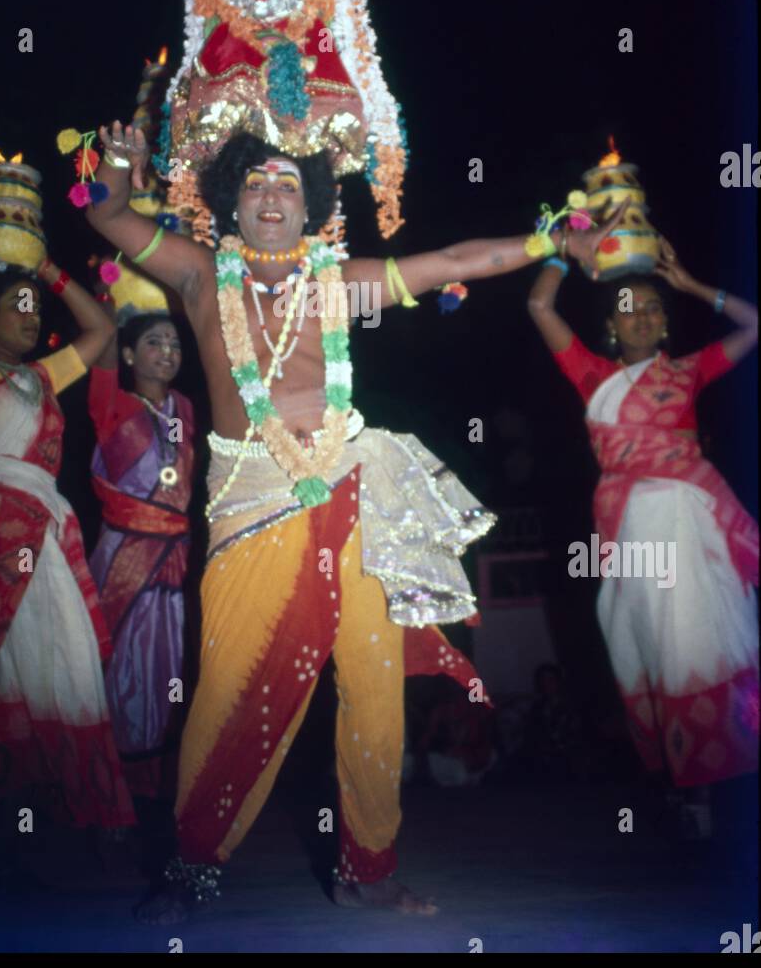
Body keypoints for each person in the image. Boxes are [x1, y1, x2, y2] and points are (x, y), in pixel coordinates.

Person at [85, 121, 621, 919]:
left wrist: (552, 241)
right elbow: (108, 217)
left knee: (372, 686)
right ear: (231, 201)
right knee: (227, 688)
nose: (272, 197)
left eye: (289, 188)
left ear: (313, 211)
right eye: (258, 185)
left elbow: (451, 261)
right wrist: (121, 166)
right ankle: (194, 865)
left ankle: (367, 868)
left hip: (350, 491)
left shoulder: (337, 281)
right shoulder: (198, 276)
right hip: (249, 503)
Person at [527, 238, 759, 837]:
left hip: (693, 522)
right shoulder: (593, 376)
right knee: (649, 652)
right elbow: (539, 307)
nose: (643, 314)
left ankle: (706, 795)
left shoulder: (690, 370)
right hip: (631, 527)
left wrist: (693, 286)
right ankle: (680, 785)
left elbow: (753, 324)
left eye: (655, 307)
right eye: (629, 306)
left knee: (700, 648)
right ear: (610, 325)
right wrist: (560, 252)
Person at [0, 197, 135, 836]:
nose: (30, 315)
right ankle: (8, 828)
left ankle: (75, 817)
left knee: (68, 665)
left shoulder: (40, 379)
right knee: (9, 677)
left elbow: (101, 331)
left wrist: (45, 268)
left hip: (42, 540)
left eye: (34, 307)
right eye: (16, 306)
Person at [87, 306, 195, 802]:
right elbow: (102, 334)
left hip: (172, 561)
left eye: (174, 343)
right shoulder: (110, 400)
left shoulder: (184, 410)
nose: (168, 352)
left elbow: (179, 474)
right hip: (125, 560)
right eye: (154, 342)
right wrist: (107, 291)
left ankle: (150, 799)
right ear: (128, 354)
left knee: (164, 674)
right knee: (118, 671)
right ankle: (108, 799)